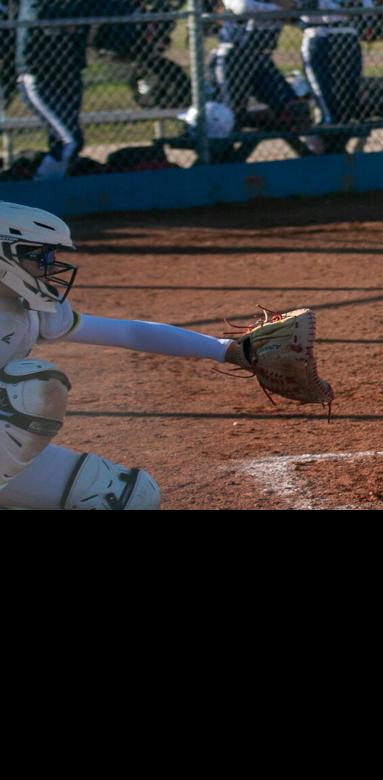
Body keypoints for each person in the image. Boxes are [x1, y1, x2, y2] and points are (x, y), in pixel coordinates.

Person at [0, 202, 314, 509]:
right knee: (33, 389)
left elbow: (128, 332)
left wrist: (226, 350)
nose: (50, 265)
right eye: (38, 255)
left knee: (126, 496)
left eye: (51, 255)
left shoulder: (31, 308)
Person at [14, 1, 132, 180]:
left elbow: (114, 8)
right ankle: (41, 188)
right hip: (38, 76)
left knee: (62, 142)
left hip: (70, 73)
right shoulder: (38, 5)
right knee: (69, 141)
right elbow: (38, 13)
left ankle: (58, 184)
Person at [212, 0, 310, 132]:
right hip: (233, 58)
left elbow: (301, 10)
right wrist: (281, 11)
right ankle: (223, 150)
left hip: (262, 61)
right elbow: (243, 7)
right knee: (229, 117)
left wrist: (287, 10)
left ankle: (254, 120)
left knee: (295, 111)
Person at [299, 0, 370, 154]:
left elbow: (366, 9)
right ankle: (317, 159)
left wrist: (338, 9)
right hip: (319, 39)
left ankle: (336, 156)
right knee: (328, 108)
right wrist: (342, 10)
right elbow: (308, 13)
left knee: (348, 107)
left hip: (348, 39)